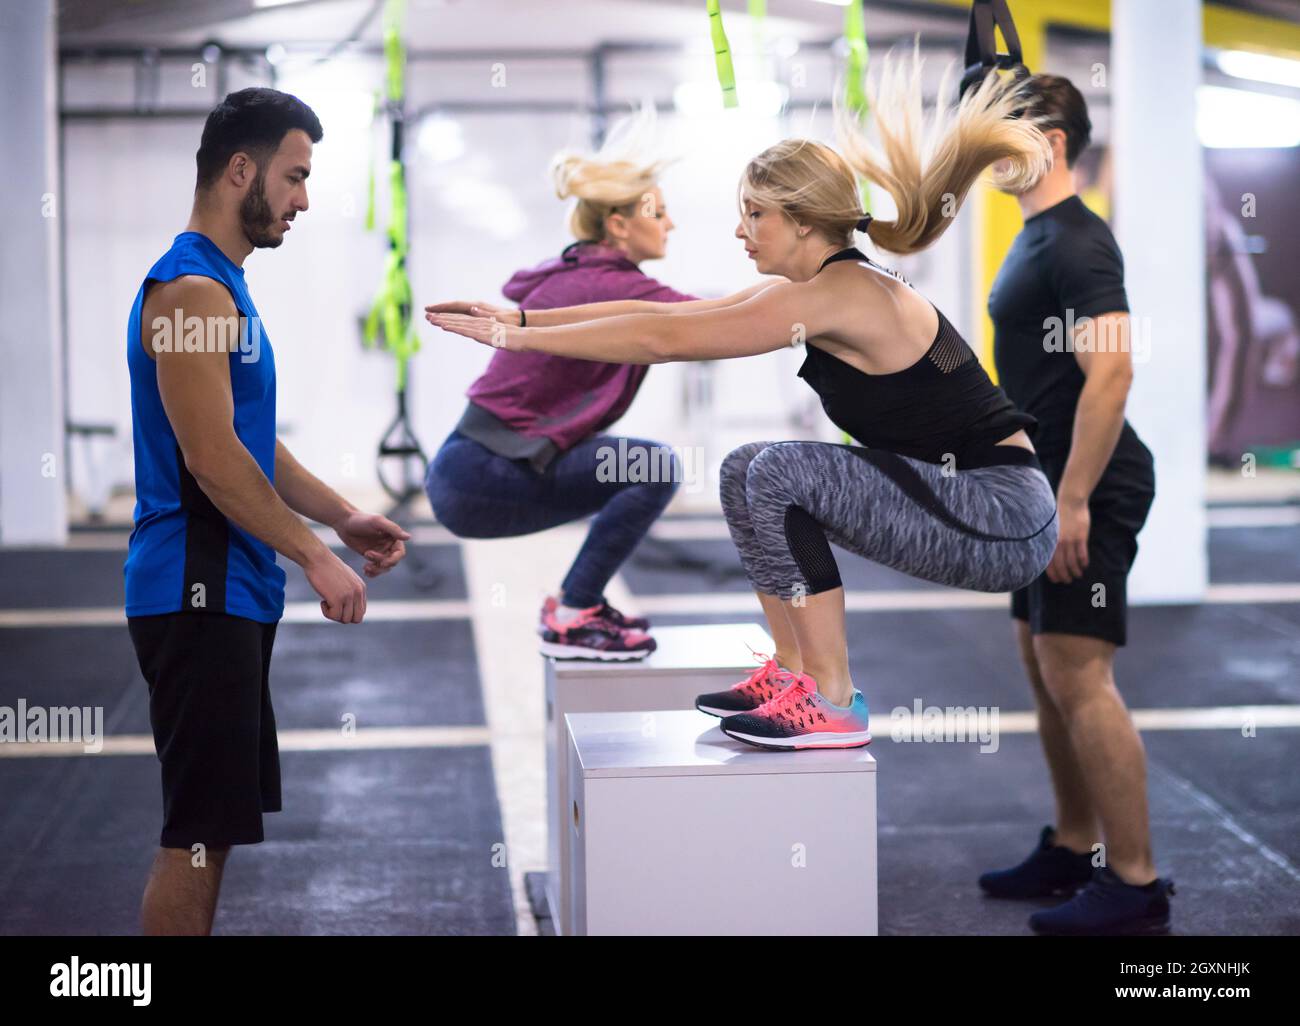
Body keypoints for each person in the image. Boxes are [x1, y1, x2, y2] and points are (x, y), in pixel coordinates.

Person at [429, 56, 1057, 749]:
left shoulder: (847, 294)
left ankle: (833, 700)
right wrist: (518, 325)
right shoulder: (817, 290)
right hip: (962, 499)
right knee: (743, 467)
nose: (740, 231)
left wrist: (514, 334)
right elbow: (655, 315)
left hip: (1002, 516)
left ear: (802, 219)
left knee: (781, 470)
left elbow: (665, 336)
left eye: (755, 215)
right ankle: (794, 673)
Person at [125, 87, 410, 935]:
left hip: (224, 588)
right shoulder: (189, 292)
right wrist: (314, 557)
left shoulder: (224, 288)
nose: (304, 200)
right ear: (239, 170)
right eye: (294, 176)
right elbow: (212, 462)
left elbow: (249, 444)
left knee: (211, 832)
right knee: (196, 836)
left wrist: (343, 517)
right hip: (194, 588)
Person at [425, 107, 765, 660]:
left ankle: (576, 606)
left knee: (640, 468)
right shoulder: (614, 286)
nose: (670, 224)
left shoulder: (571, 272)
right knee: (654, 468)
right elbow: (723, 321)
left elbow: (715, 314)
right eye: (659, 212)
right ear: (618, 224)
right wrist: (818, 296)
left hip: (463, 472)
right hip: (488, 473)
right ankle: (574, 609)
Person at [980, 73, 1174, 936]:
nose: (986, 151)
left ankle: (1134, 886)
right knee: (1041, 665)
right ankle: (1073, 846)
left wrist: (1075, 500)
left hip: (1088, 486)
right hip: (1046, 485)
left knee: (1079, 675)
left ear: (1052, 142)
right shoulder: (1035, 235)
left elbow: (1114, 371)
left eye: (1004, 133)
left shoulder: (1080, 243)